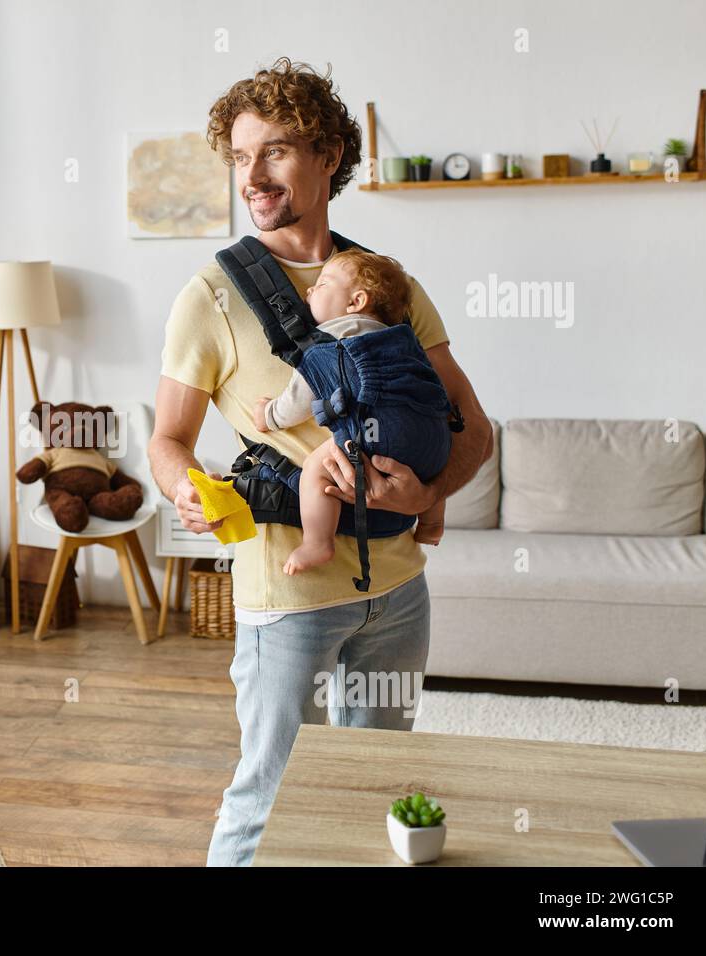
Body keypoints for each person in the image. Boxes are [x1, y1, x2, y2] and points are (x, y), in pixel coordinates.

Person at [146, 57, 492, 866]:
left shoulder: (388, 286)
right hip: (288, 596)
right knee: (266, 798)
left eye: (273, 151)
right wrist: (185, 490)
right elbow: (167, 440)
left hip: (398, 594)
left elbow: (474, 427)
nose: (252, 176)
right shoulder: (212, 295)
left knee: (377, 793)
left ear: (329, 155)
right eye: (240, 157)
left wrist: (429, 492)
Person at [252, 248, 453, 577]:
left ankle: (318, 542)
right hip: (433, 438)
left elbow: (300, 397)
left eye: (322, 284)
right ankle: (431, 523)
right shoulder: (404, 340)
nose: (309, 290)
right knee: (428, 464)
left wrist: (269, 415)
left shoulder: (331, 340)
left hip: (379, 437)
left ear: (355, 302)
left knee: (316, 468)